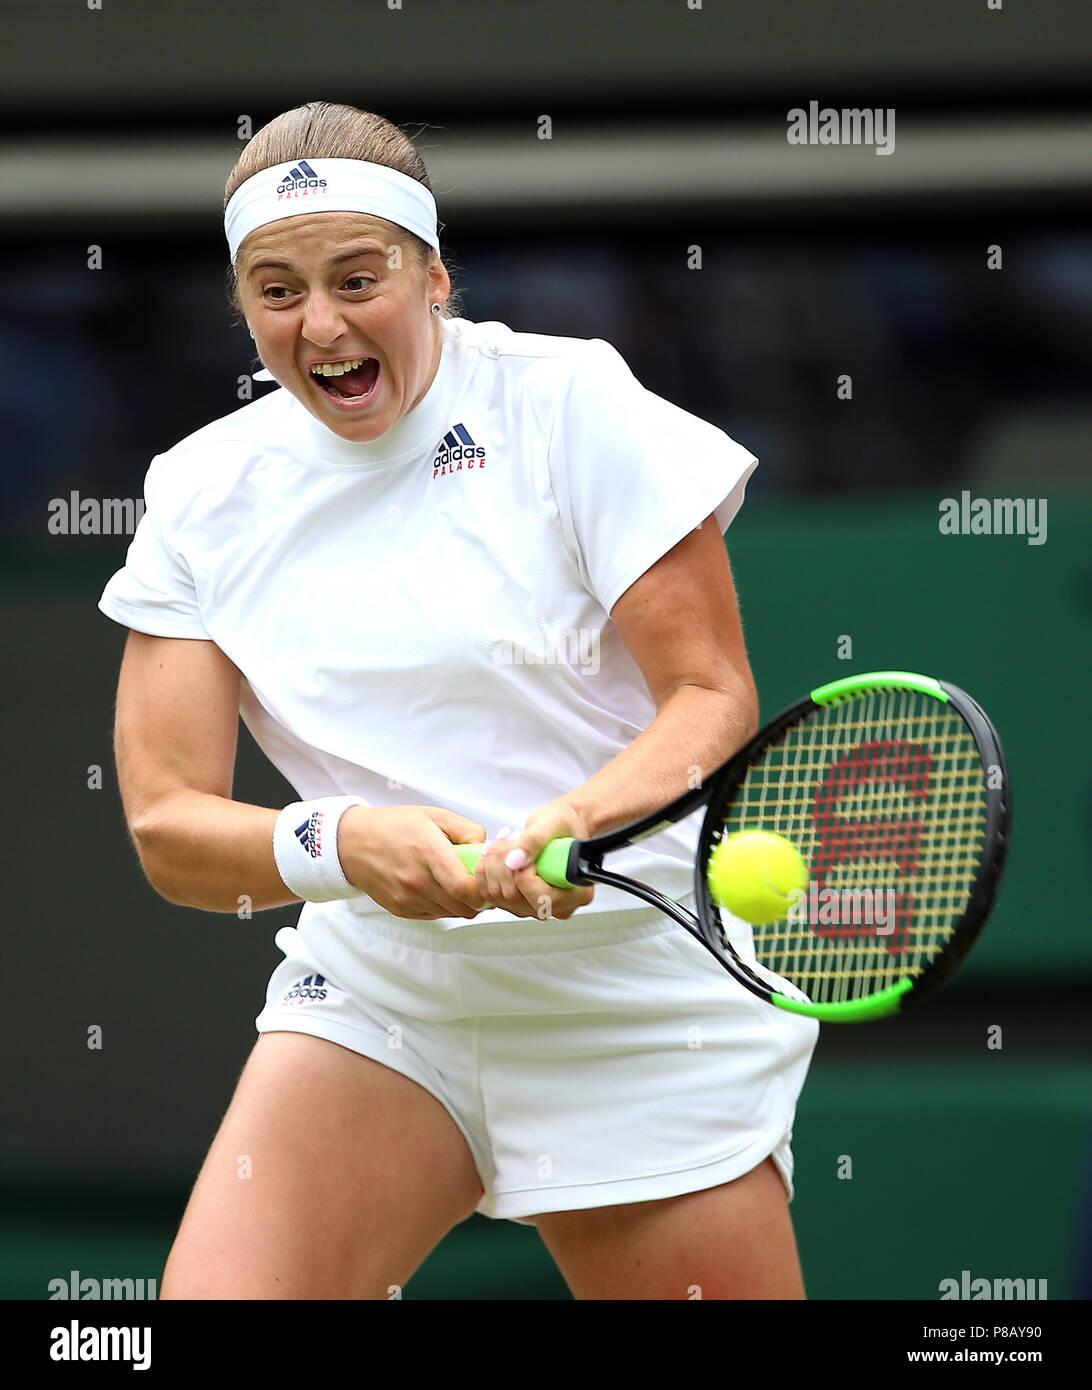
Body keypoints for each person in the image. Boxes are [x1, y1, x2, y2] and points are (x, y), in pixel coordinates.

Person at [98, 100, 818, 1301]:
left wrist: (572, 823)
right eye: (276, 291)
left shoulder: (572, 403)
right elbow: (170, 826)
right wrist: (341, 846)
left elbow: (709, 693)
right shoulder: (202, 491)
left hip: (633, 993)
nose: (321, 323)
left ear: (435, 276)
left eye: (356, 276)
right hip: (384, 995)